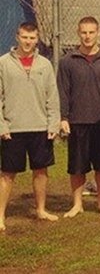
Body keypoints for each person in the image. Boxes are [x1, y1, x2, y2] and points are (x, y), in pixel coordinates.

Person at [57, 17, 100, 218]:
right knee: (77, 166)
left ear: (98, 32)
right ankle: (77, 204)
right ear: (78, 33)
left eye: (91, 32)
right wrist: (64, 117)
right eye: (84, 32)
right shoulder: (68, 61)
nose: (87, 36)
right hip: (77, 121)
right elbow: (63, 91)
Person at [0, 22, 61, 230]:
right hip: (13, 129)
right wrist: (2, 126)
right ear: (17, 37)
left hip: (40, 127)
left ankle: (41, 209)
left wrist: (53, 122)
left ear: (37, 39)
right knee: (8, 173)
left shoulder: (44, 64)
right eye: (25, 37)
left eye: (32, 38)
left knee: (41, 171)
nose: (28, 42)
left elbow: (52, 97)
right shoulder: (3, 63)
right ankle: (0, 215)